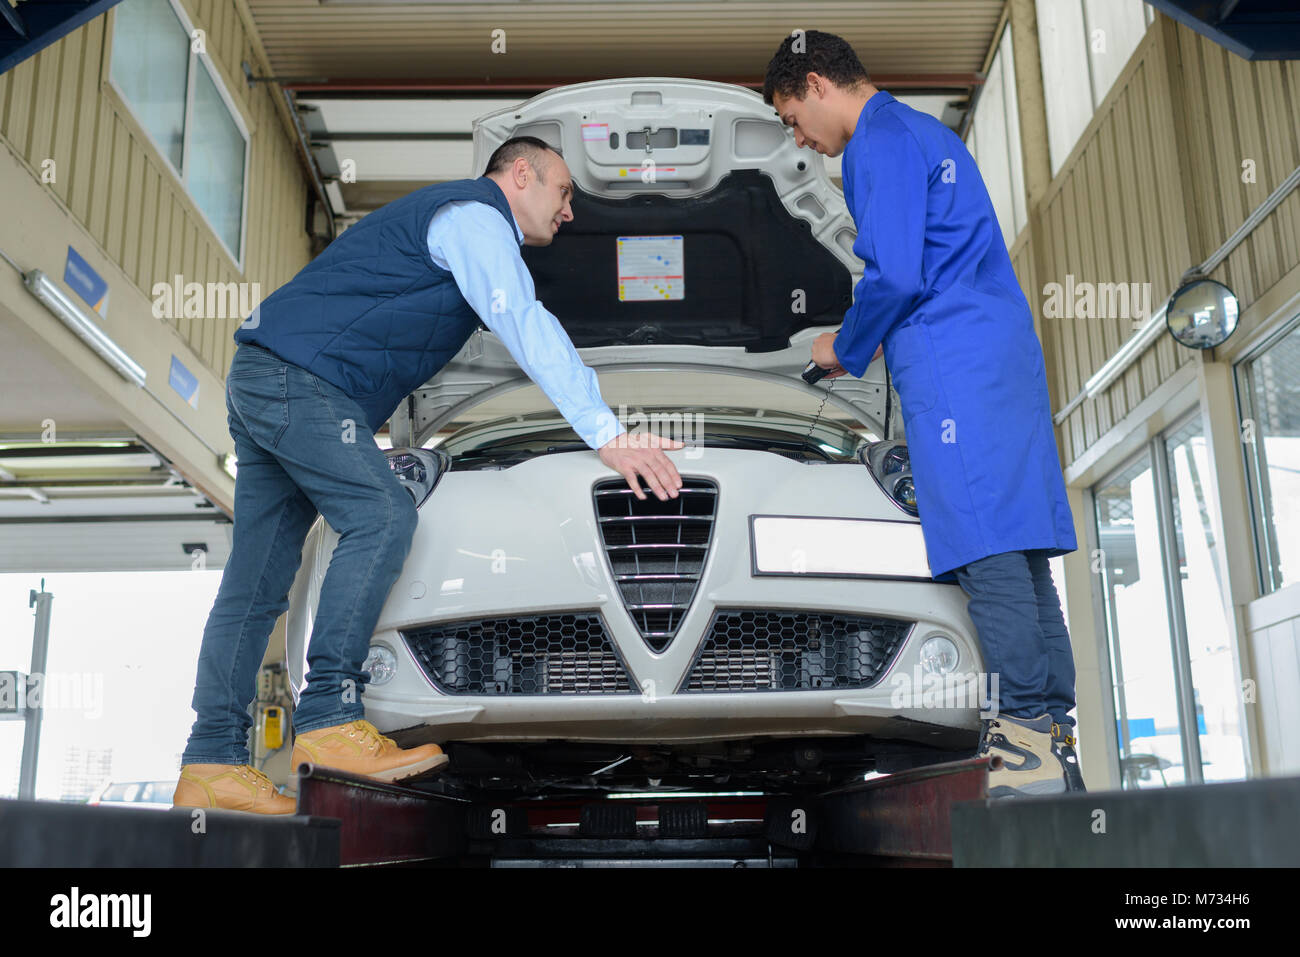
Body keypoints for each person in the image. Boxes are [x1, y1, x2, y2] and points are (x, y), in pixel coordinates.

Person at [173, 137, 683, 815]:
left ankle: (210, 762)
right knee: (382, 514)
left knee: (259, 579)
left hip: (270, 375)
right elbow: (523, 321)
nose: (569, 212)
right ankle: (328, 719)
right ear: (521, 173)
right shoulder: (475, 217)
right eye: (563, 192)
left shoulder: (451, 225)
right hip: (299, 382)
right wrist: (607, 434)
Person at [764, 31, 1085, 798]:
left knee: (985, 553)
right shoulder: (921, 132)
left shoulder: (876, 142)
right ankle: (1053, 737)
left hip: (954, 367)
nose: (799, 139)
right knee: (1023, 552)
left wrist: (845, 343)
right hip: (993, 358)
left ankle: (1026, 742)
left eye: (790, 118)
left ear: (814, 84)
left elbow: (897, 272)